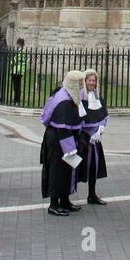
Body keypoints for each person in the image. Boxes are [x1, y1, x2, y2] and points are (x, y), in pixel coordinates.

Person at [40, 70, 86, 216]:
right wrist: (71, 148)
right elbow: (62, 126)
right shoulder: (63, 100)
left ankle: (65, 200)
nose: (81, 86)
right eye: (79, 83)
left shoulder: (70, 95)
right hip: (58, 140)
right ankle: (54, 204)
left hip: (66, 138)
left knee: (67, 170)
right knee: (57, 171)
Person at [78, 69, 109, 205]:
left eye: (94, 80)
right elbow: (80, 117)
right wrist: (88, 132)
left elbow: (104, 114)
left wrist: (100, 129)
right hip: (84, 139)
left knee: (94, 167)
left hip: (95, 139)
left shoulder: (98, 97)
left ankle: (92, 194)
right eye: (90, 80)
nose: (92, 83)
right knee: (78, 168)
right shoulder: (81, 98)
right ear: (85, 82)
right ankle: (65, 198)